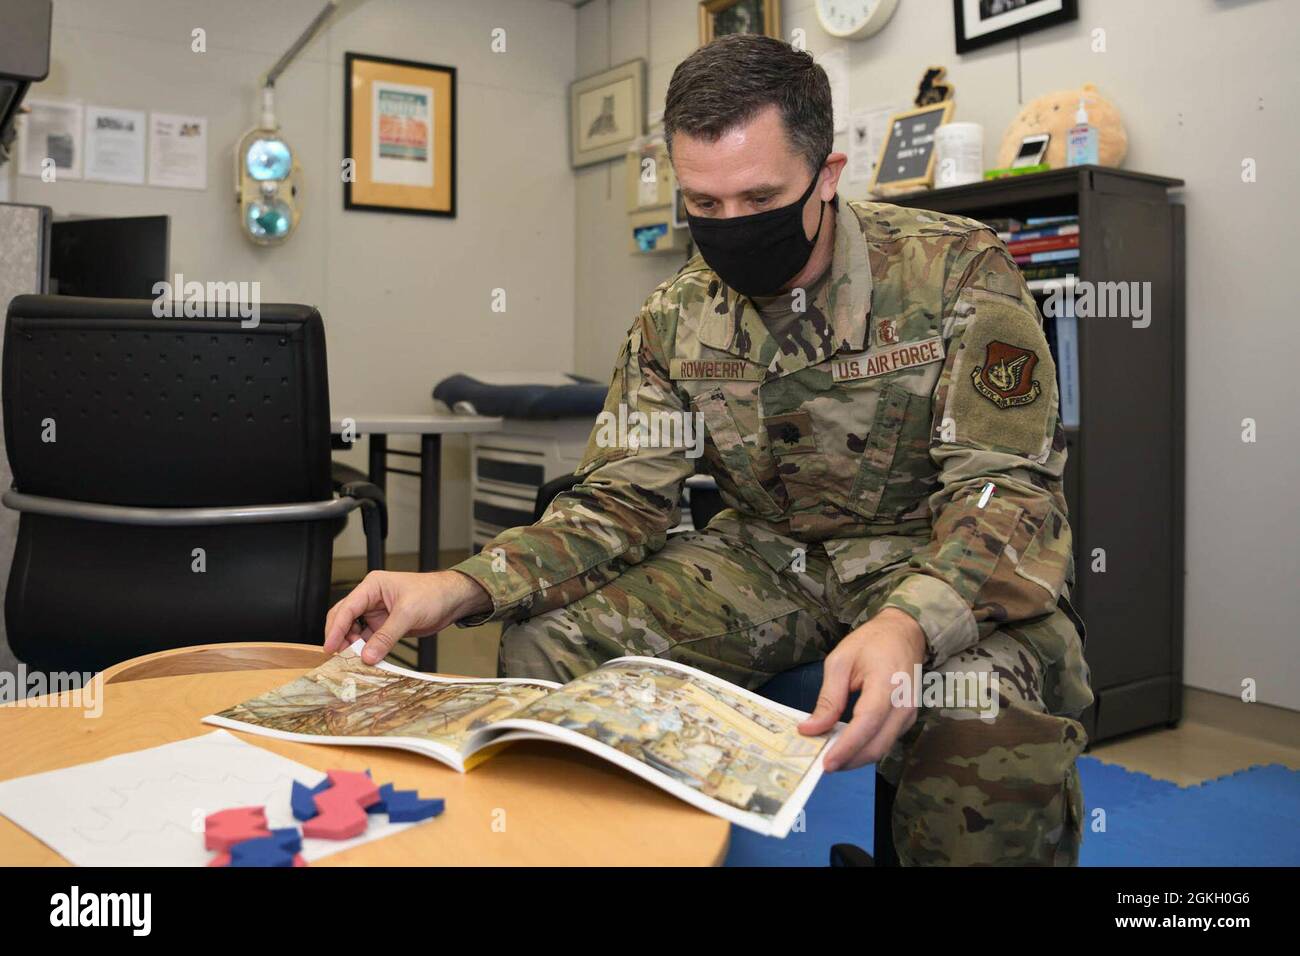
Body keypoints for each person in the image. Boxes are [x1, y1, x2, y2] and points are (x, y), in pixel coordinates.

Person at [325, 34, 1093, 866]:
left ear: (828, 176)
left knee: (978, 710)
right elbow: (615, 499)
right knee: (548, 641)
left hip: (932, 558)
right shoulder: (674, 315)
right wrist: (460, 584)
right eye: (705, 206)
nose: (731, 229)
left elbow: (1009, 490)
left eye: (758, 198)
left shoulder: (954, 272)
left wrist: (912, 621)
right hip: (765, 560)